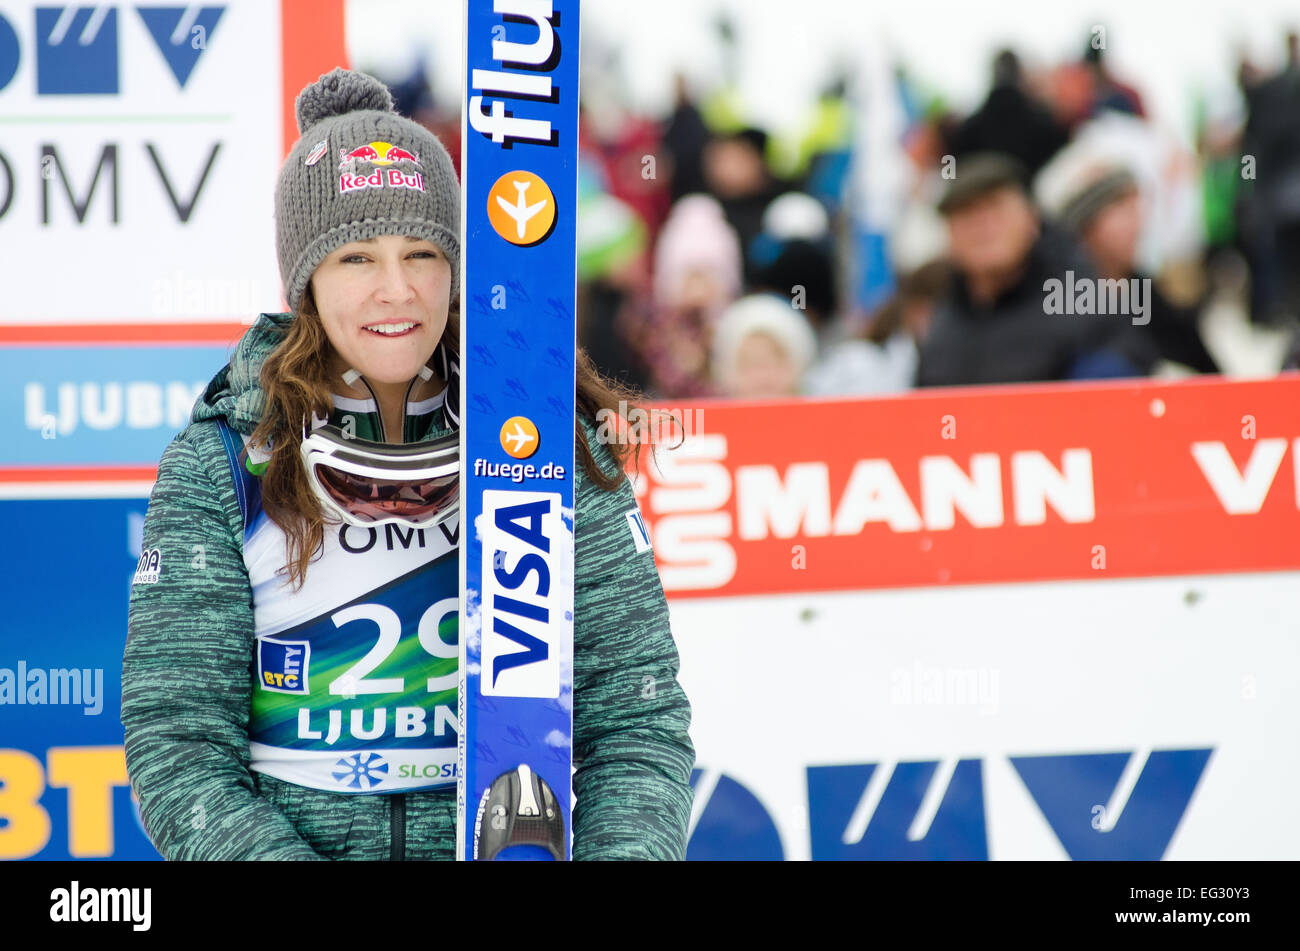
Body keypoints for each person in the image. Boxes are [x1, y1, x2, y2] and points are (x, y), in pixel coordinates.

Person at [121, 68, 695, 861]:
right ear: (306, 282)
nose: (397, 291)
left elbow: (636, 724)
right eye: (356, 258)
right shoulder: (224, 460)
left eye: (422, 252)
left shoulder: (542, 448)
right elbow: (179, 748)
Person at [917, 152, 1147, 386]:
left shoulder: (1083, 304)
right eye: (966, 213)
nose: (982, 227)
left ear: (1032, 218)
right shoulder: (941, 321)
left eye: (994, 209)